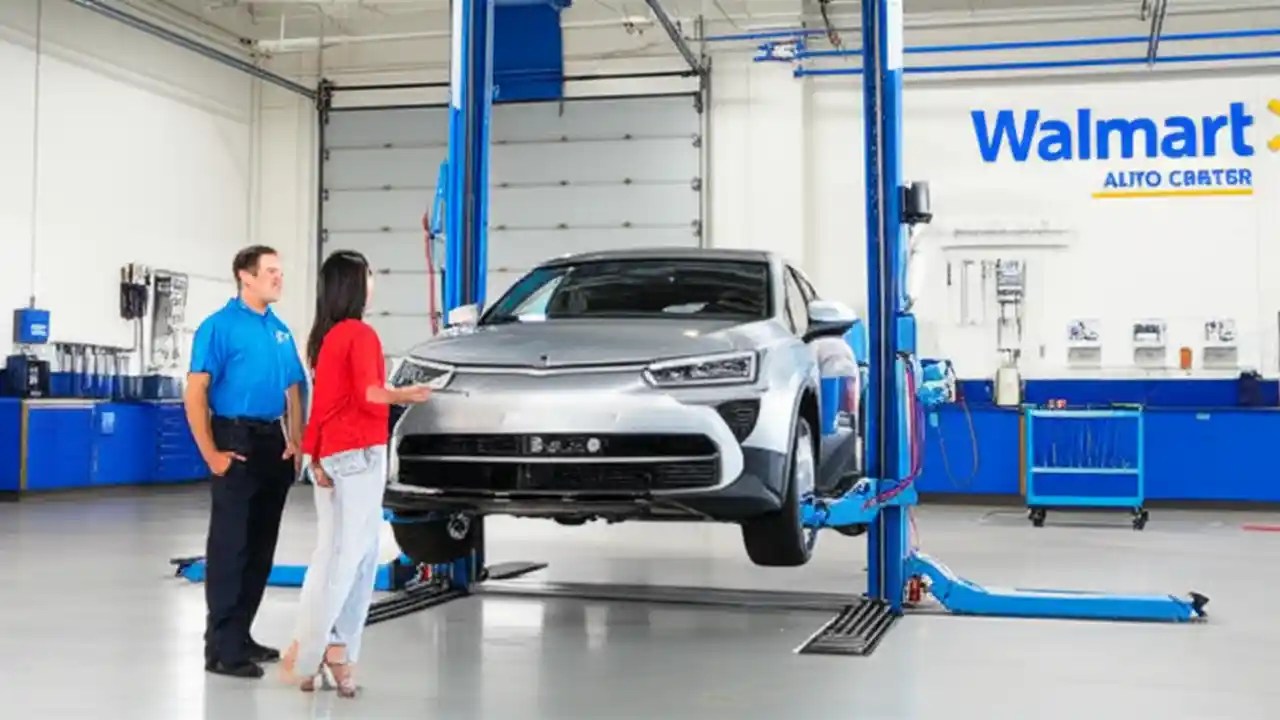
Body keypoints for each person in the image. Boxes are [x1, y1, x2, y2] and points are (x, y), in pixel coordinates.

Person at [278, 250, 431, 697]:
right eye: (370, 273)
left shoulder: (323, 337)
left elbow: (323, 403)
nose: (374, 280)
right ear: (355, 284)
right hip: (361, 454)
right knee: (357, 560)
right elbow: (369, 394)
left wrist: (316, 456)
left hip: (333, 456)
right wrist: (409, 394)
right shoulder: (360, 334)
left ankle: (321, 652)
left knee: (334, 555)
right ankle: (321, 653)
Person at [184, 245, 307, 679]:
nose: (279, 278)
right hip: (234, 437)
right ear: (245, 277)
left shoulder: (280, 331)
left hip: (273, 442)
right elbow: (195, 391)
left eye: (280, 271)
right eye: (270, 271)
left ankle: (242, 634)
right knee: (230, 546)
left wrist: (296, 440)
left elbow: (295, 387)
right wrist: (211, 454)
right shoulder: (218, 328)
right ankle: (220, 648)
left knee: (260, 548)